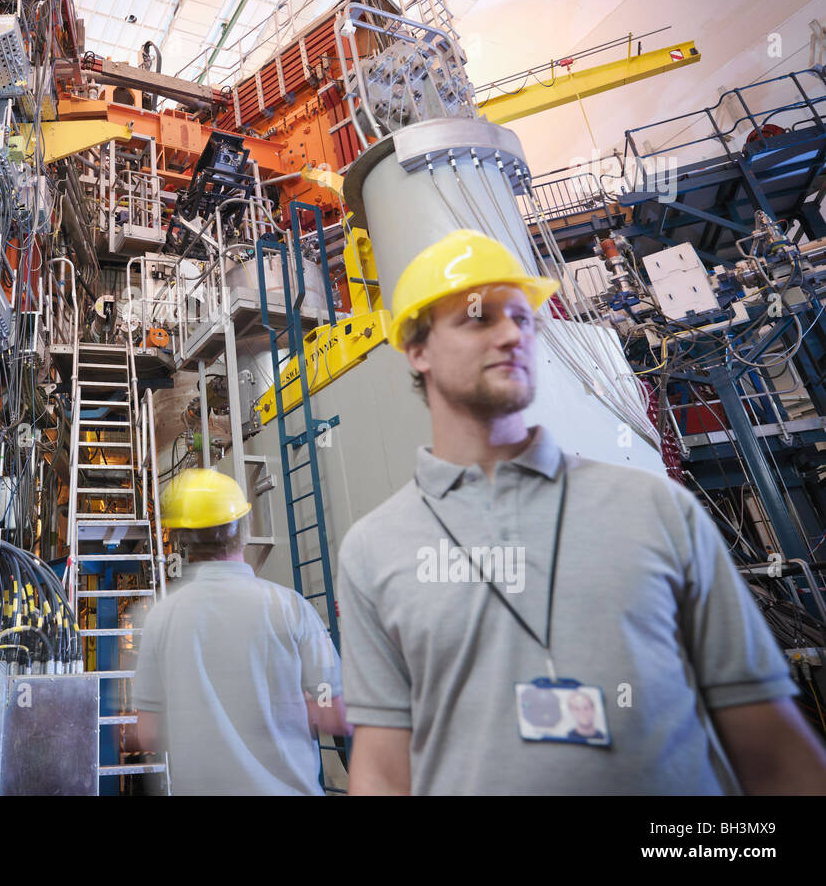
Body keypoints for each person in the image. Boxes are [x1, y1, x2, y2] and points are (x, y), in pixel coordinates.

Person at [338, 228, 826, 796]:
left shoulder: (655, 508)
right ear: (417, 350)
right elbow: (382, 765)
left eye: (522, 318)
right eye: (478, 318)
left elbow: (768, 738)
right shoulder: (374, 549)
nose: (511, 336)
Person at [132, 469, 349, 795]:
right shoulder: (291, 608)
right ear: (245, 530)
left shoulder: (159, 618)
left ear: (183, 539)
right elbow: (335, 717)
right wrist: (290, 704)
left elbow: (148, 733)